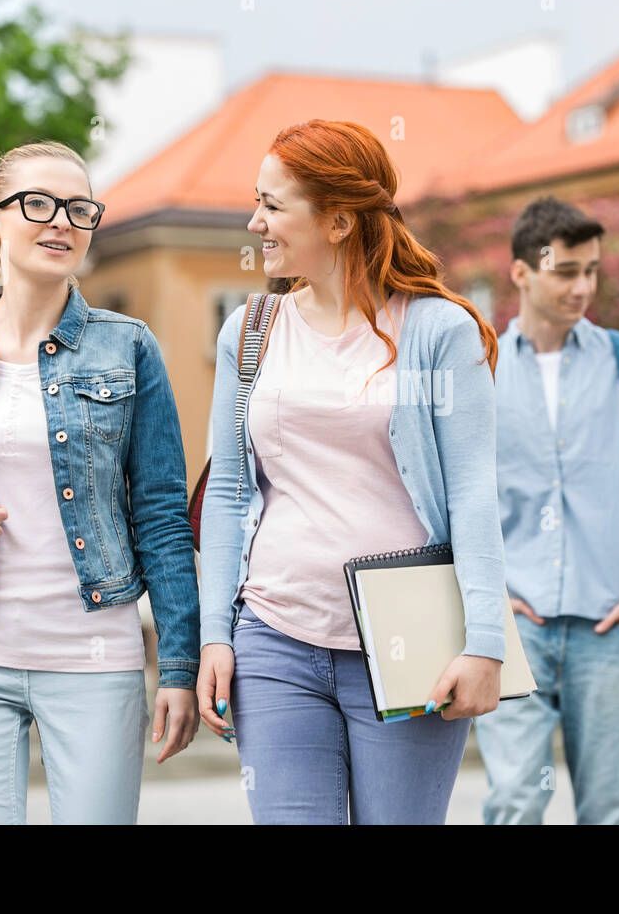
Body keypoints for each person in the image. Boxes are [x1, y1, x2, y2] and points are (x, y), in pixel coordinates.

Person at [0, 141, 200, 824]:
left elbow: (162, 517)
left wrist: (179, 666)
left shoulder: (129, 347)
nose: (61, 221)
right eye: (39, 204)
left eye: (79, 209)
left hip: (94, 656)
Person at [196, 119, 506, 824]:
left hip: (410, 643)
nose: (255, 222)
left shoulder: (437, 331)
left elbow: (473, 494)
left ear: (337, 221)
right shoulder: (251, 330)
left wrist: (485, 642)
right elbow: (230, 493)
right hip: (273, 636)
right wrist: (216, 632)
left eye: (273, 205)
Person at [473, 196, 619, 824]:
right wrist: (489, 600)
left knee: (608, 810)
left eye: (591, 271)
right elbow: (455, 504)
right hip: (515, 626)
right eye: (566, 272)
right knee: (515, 801)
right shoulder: (479, 371)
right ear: (521, 273)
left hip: (612, 626)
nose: (583, 287)